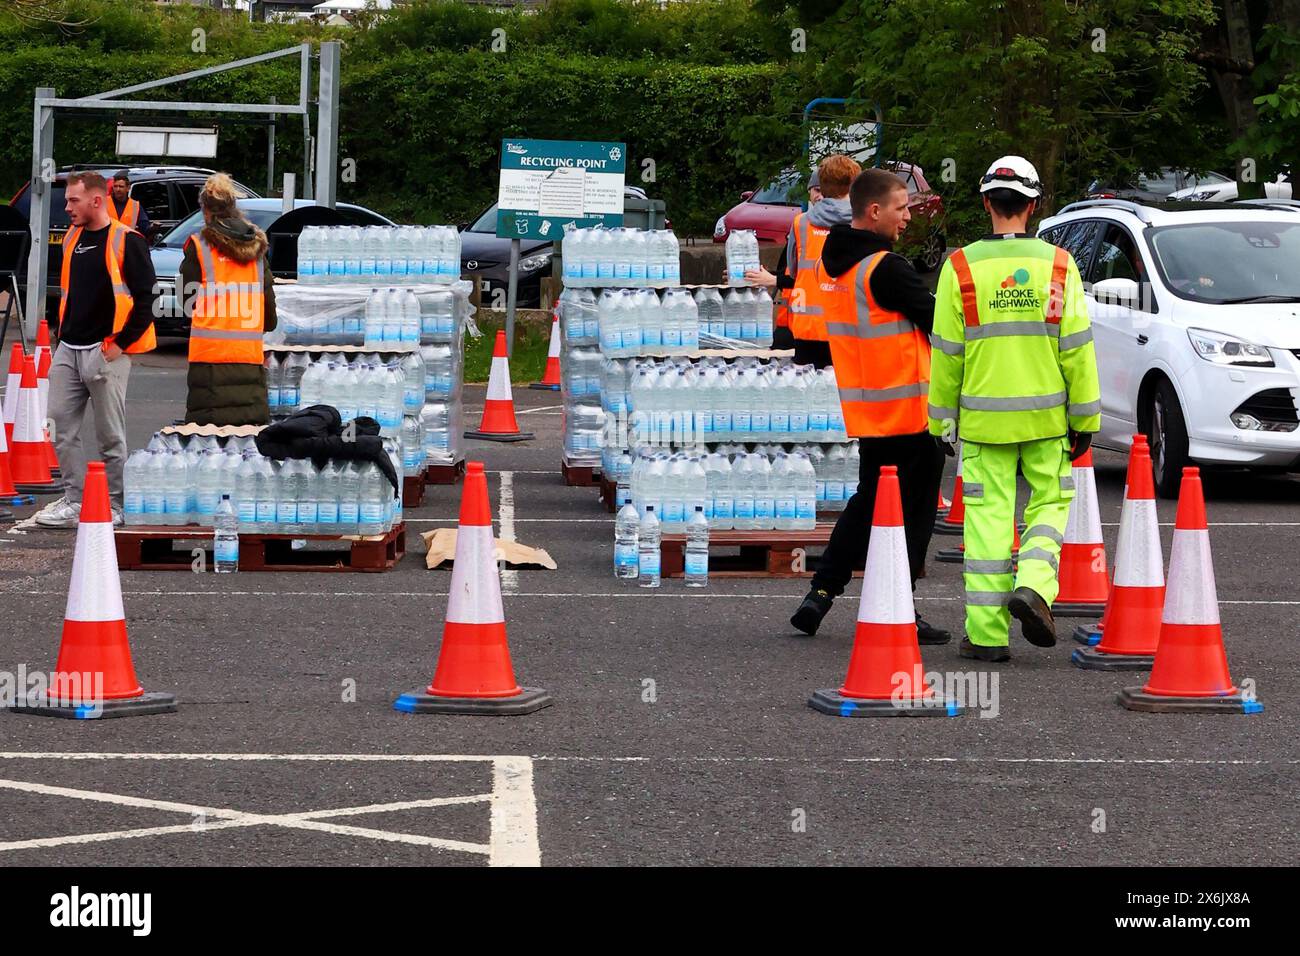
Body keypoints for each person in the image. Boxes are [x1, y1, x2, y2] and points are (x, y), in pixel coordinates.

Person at [927, 156, 1101, 662]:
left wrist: (941, 421)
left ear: (986, 202)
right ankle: (1034, 586)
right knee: (1048, 506)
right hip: (1046, 420)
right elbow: (1077, 348)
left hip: (983, 423)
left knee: (985, 524)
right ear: (1035, 205)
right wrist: (1085, 418)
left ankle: (985, 637)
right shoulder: (1059, 266)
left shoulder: (960, 266)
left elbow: (947, 354)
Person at [790, 168, 949, 643]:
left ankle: (820, 593)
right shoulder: (887, 268)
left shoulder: (832, 265)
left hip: (867, 409)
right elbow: (942, 324)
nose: (907, 217)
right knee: (913, 517)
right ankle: (902, 607)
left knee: (865, 504)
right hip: (909, 412)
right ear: (874, 211)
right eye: (901, 208)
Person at [37, 171, 158, 528]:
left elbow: (146, 298)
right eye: (66, 201)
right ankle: (74, 500)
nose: (67, 208)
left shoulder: (127, 240)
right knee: (58, 426)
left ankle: (117, 506)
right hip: (69, 348)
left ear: (96, 200)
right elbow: (70, 292)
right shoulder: (73, 237)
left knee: (110, 436)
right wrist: (61, 335)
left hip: (105, 351)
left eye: (73, 201)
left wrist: (120, 345)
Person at [178, 173, 277, 425]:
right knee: (246, 445)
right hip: (249, 360)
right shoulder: (258, 251)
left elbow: (186, 302)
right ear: (234, 207)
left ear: (205, 211)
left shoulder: (199, 247)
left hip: (209, 363)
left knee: (210, 444)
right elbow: (270, 318)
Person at [747, 156, 859, 366]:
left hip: (807, 325)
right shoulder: (861, 222)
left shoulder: (801, 223)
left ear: (821, 187)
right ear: (853, 186)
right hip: (847, 326)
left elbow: (793, 271)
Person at [747, 167, 827, 351]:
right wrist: (760, 276)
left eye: (826, 191)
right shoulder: (801, 226)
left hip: (818, 328)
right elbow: (793, 271)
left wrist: (773, 279)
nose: (821, 196)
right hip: (791, 321)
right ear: (809, 192)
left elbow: (817, 278)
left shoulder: (838, 230)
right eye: (817, 190)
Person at [106, 171, 151, 236]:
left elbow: (145, 227)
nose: (118, 189)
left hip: (128, 243)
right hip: (108, 243)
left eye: (121, 186)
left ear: (128, 188)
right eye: (115, 186)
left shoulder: (135, 206)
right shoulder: (104, 203)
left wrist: (153, 228)